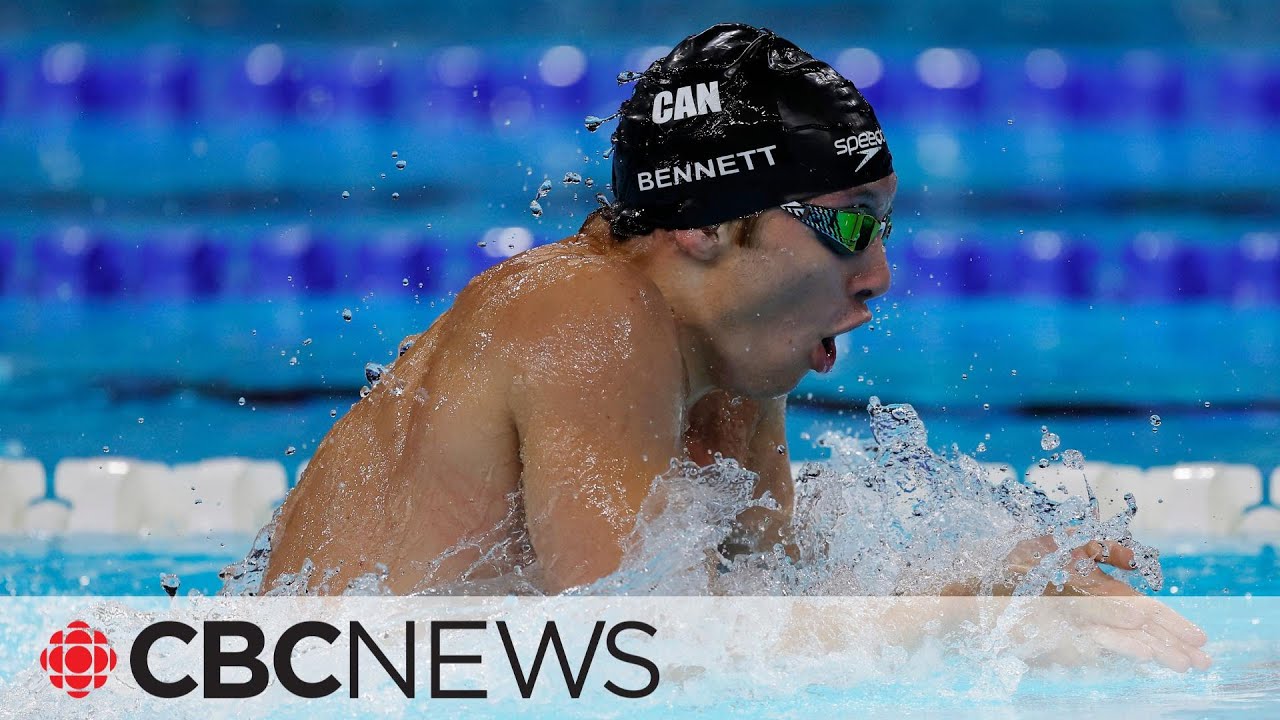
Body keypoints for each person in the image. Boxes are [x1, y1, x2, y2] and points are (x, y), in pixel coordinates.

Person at [249, 23, 1208, 670]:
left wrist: (1003, 580)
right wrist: (981, 617)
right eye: (849, 225)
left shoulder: (728, 363)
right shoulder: (582, 313)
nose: (878, 276)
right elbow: (638, 649)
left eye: (884, 229)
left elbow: (768, 601)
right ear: (705, 223)